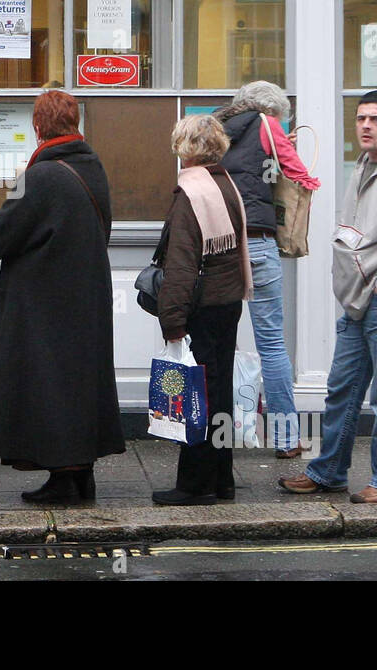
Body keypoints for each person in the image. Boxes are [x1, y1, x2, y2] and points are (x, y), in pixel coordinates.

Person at [280, 90, 377, 504]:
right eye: (360, 119)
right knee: (342, 388)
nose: (365, 126)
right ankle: (329, 472)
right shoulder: (367, 165)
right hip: (360, 302)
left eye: (375, 119)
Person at [0, 90, 124, 504]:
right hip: (86, 298)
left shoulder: (39, 176)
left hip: (42, 303)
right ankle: (81, 477)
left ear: (39, 126)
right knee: (80, 385)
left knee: (47, 387)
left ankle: (63, 479)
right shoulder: (93, 167)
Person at [151, 114, 253, 506]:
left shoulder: (190, 193)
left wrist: (172, 319)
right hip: (228, 303)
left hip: (202, 307)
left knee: (195, 398)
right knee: (218, 393)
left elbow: (181, 262)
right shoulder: (226, 184)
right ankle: (221, 478)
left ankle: (194, 484)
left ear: (185, 147)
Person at [215, 81, 320, 458]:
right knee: (272, 343)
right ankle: (287, 437)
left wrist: (276, 144)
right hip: (258, 242)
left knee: (217, 340)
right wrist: (310, 181)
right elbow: (298, 174)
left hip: (218, 244)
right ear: (271, 112)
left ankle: (216, 435)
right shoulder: (266, 124)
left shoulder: (216, 126)